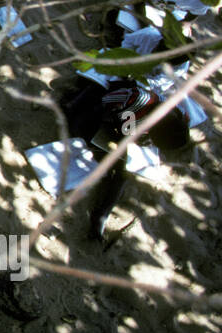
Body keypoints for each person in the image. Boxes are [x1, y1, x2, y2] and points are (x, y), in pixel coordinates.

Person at [58, 75, 192, 239]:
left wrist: (134, 138)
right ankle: (101, 210)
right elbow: (104, 104)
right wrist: (119, 132)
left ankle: (101, 216)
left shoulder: (177, 116)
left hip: (123, 130)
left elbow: (142, 136)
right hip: (102, 113)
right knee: (82, 132)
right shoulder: (138, 99)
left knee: (124, 171)